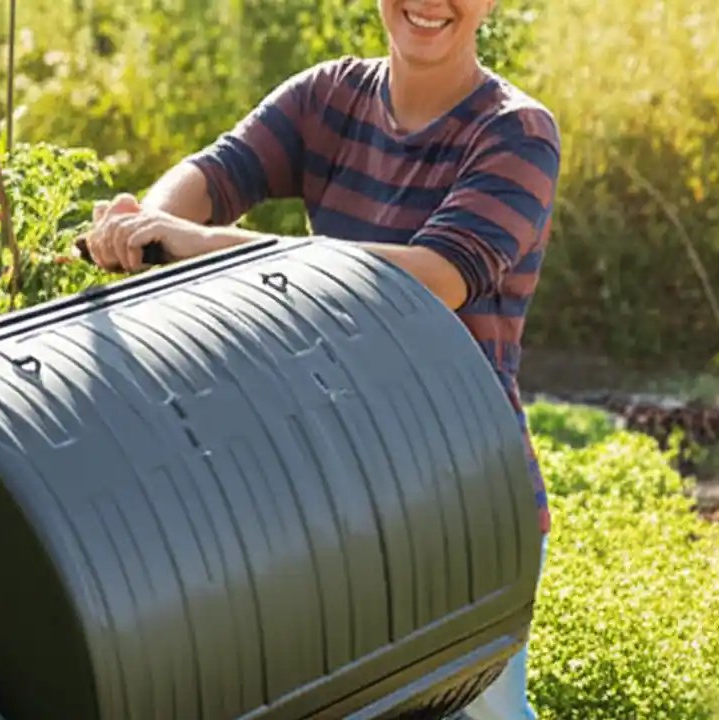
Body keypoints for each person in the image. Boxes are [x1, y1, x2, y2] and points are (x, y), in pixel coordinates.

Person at [83, 1, 560, 718]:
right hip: (343, 494)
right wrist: (147, 223)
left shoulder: (517, 133)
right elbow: (215, 175)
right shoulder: (329, 97)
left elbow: (431, 280)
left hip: (466, 493)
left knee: (475, 712)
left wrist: (205, 245)